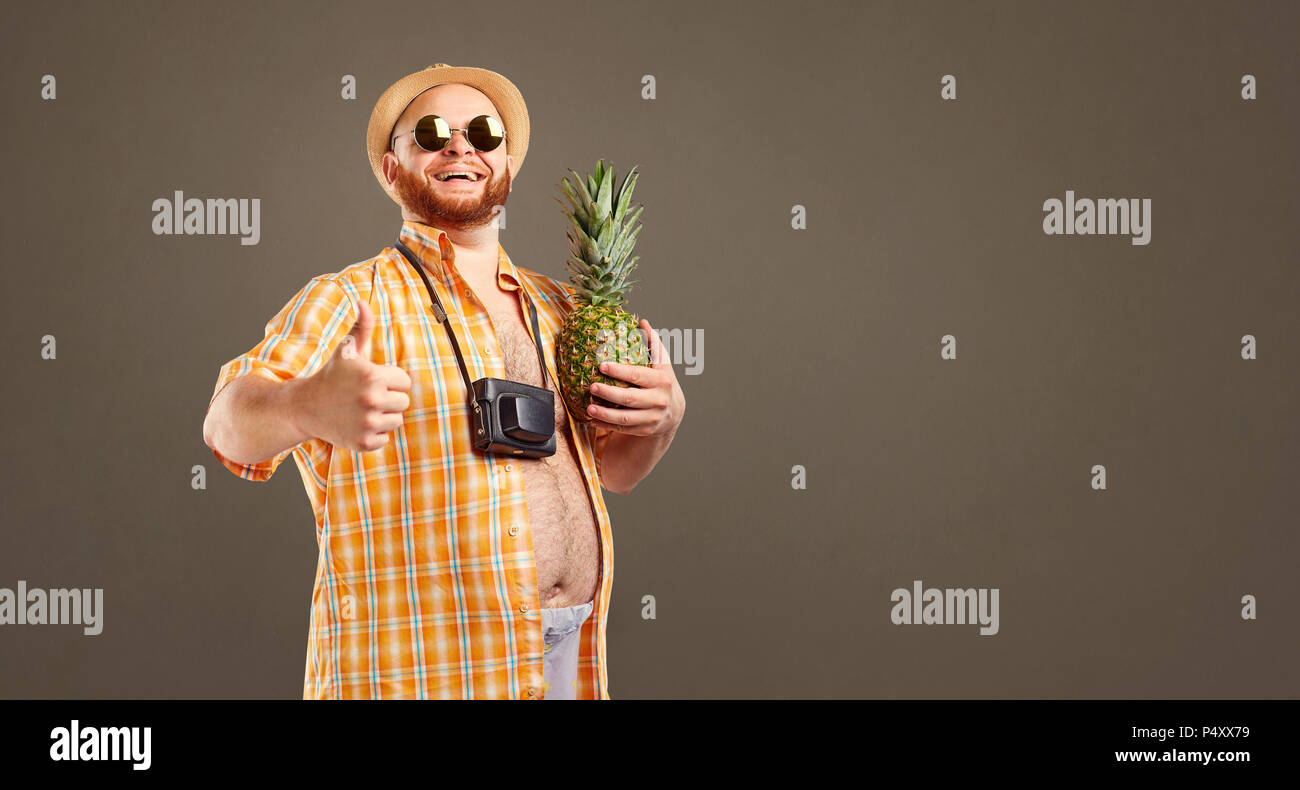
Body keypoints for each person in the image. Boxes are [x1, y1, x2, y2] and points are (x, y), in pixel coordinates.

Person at [202, 63, 685, 699]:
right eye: (430, 133)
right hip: (422, 669)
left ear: (507, 164)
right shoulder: (347, 298)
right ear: (390, 168)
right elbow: (226, 425)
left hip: (566, 659)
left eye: (484, 133)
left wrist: (663, 419)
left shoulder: (564, 309)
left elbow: (615, 471)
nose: (461, 146)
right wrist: (303, 405)